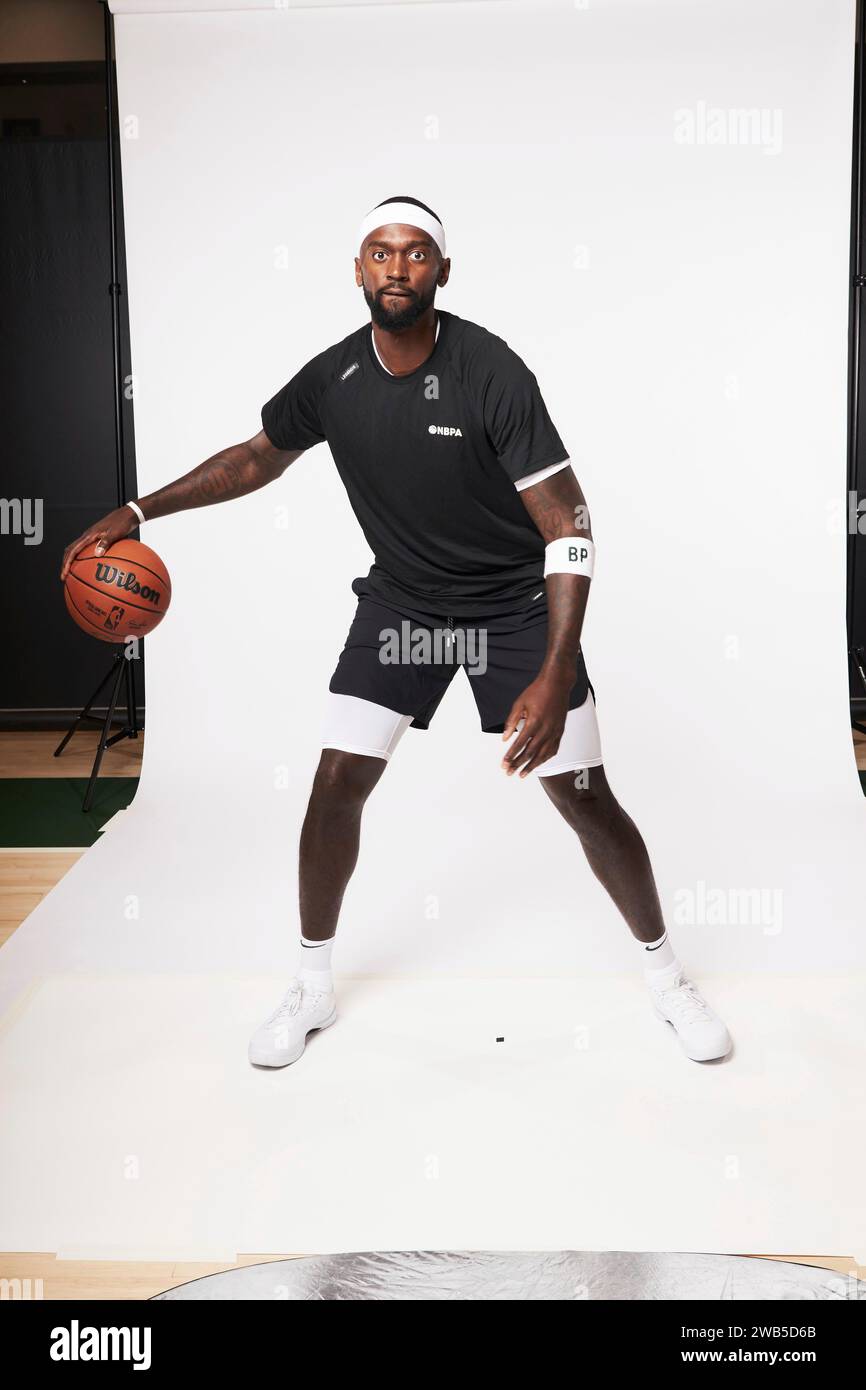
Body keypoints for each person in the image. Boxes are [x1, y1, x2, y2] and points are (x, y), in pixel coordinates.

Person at [61, 195, 732, 1066]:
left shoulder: (492, 370)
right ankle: (311, 986)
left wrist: (556, 670)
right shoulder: (333, 377)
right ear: (357, 270)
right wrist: (142, 508)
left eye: (416, 254)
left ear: (442, 271)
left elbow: (568, 525)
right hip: (406, 607)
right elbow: (254, 457)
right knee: (336, 781)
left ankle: (667, 977)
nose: (397, 268)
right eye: (380, 253)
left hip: (513, 610)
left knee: (584, 796)